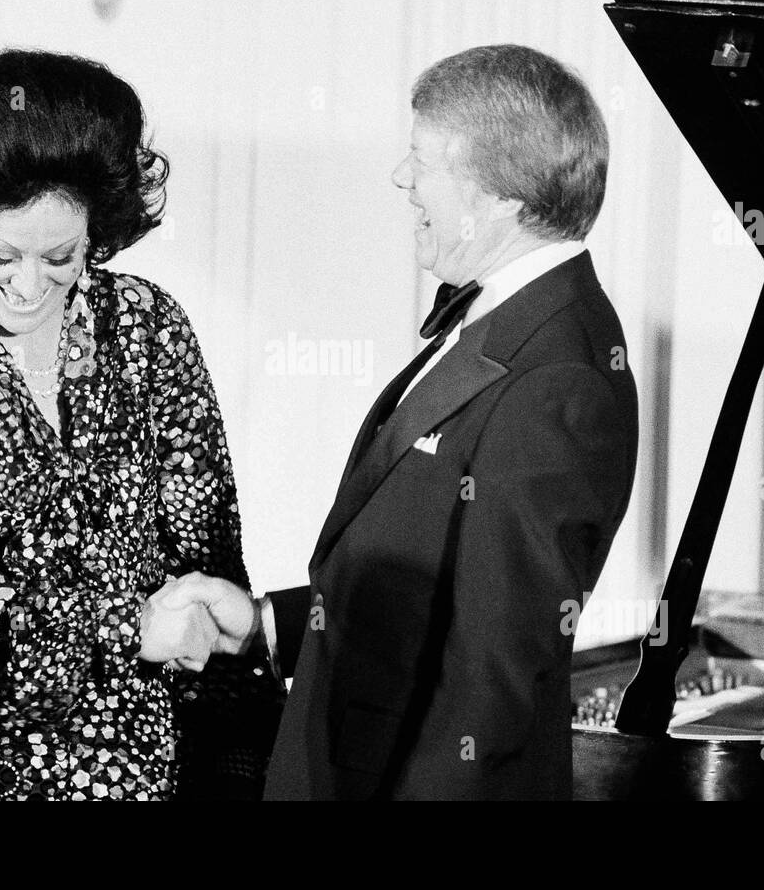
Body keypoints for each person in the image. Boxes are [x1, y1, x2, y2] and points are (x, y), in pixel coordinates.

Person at [156, 44, 639, 799]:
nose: (401, 178)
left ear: (500, 193)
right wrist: (264, 625)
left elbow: (491, 677)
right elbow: (419, 602)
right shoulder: (507, 321)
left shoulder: (558, 383)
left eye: (422, 159)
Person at [0, 49, 282, 800]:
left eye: (62, 255)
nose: (30, 286)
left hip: (140, 772)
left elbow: (210, 563)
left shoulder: (146, 324)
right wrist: (127, 629)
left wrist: (238, 759)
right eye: (1, 254)